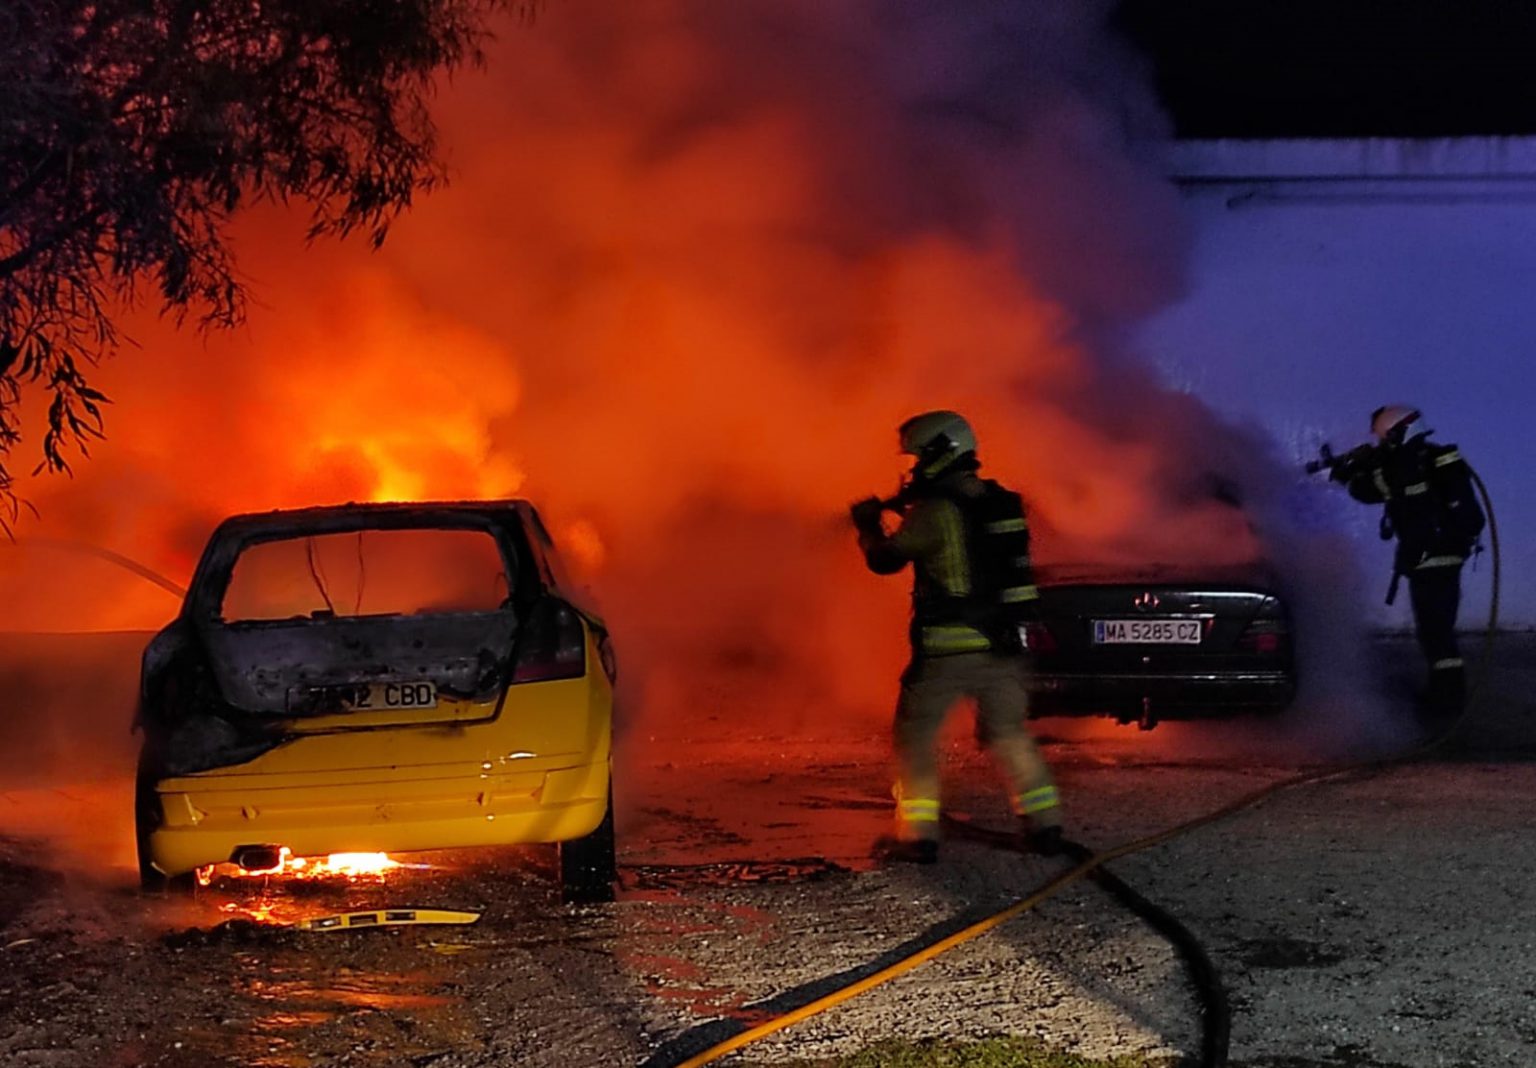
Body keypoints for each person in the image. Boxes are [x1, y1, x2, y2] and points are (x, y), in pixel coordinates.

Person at [850, 410, 1062, 863]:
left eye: (920, 456)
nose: (914, 467)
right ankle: (1045, 828)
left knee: (916, 736)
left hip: (948, 651)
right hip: (1004, 646)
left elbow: (886, 559)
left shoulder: (935, 511)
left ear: (942, 452)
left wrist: (868, 526)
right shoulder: (999, 501)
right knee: (1007, 734)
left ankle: (918, 837)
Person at [1328, 405, 1485, 722]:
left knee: (1435, 634)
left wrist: (1348, 474)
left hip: (1430, 559)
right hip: (1439, 558)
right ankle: (1443, 697)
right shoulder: (1428, 459)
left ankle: (1446, 705)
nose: (1383, 445)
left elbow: (1370, 489)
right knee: (1437, 633)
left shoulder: (1408, 463)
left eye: (1386, 439)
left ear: (1398, 433)